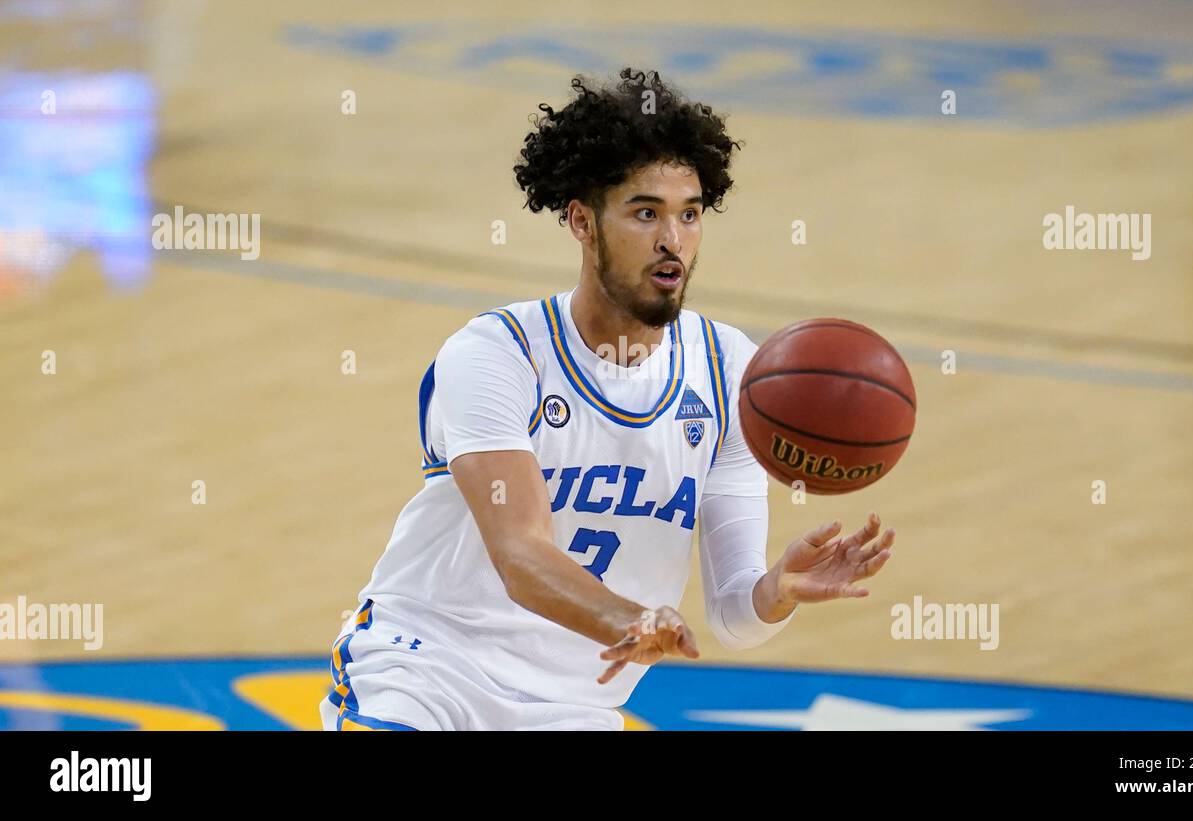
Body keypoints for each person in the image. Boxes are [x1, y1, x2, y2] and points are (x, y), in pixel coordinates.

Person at [322, 68, 896, 731]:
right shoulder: (497, 353)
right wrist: (631, 617)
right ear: (582, 221)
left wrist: (778, 591)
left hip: (573, 706)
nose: (672, 240)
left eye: (689, 214)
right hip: (429, 669)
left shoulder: (729, 370)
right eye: (645, 211)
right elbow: (522, 555)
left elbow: (735, 617)